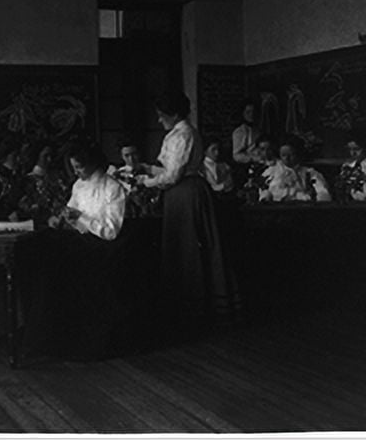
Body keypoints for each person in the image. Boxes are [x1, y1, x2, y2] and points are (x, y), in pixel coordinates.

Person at [20, 141, 150, 360]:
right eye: (74, 168)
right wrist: (63, 220)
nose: (76, 172)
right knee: (42, 252)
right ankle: (40, 339)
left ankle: (57, 341)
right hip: (79, 243)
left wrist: (81, 218)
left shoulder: (113, 188)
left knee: (55, 264)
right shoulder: (79, 186)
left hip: (104, 249)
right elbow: (73, 215)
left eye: (79, 167)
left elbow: (111, 231)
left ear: (92, 163)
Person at [134, 91, 242, 329]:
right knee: (179, 246)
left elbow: (173, 175)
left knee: (191, 245)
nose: (159, 121)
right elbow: (168, 169)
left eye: (162, 116)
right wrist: (146, 169)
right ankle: (183, 305)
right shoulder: (175, 135)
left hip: (187, 193)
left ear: (174, 114)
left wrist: (145, 182)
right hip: (178, 194)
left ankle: (198, 307)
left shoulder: (184, 135)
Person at [231, 99, 262, 164]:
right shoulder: (239, 132)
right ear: (243, 114)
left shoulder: (258, 130)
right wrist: (253, 158)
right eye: (248, 112)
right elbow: (236, 155)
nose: (251, 115)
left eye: (253, 112)